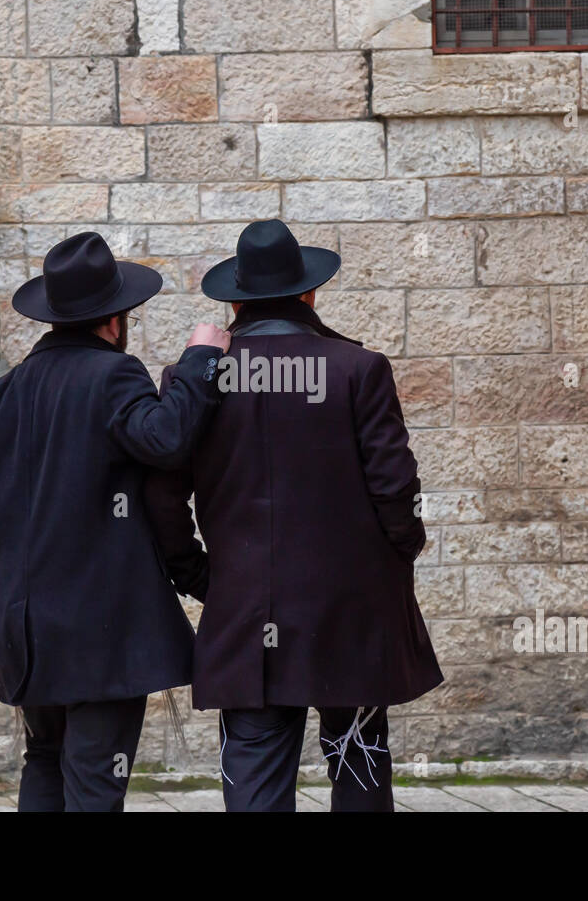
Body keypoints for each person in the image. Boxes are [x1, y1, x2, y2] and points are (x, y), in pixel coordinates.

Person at [146, 219, 443, 812]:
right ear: (308, 293)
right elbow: (396, 485)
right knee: (357, 760)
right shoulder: (358, 369)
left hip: (244, 608)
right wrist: (396, 556)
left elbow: (161, 498)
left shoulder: (194, 380)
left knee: (253, 768)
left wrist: (199, 575)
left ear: (234, 299)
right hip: (352, 605)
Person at [0, 231, 230, 811]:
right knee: (95, 779)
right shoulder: (113, 376)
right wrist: (202, 358)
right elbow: (165, 439)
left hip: (25, 633)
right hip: (100, 637)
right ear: (115, 318)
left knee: (45, 761)